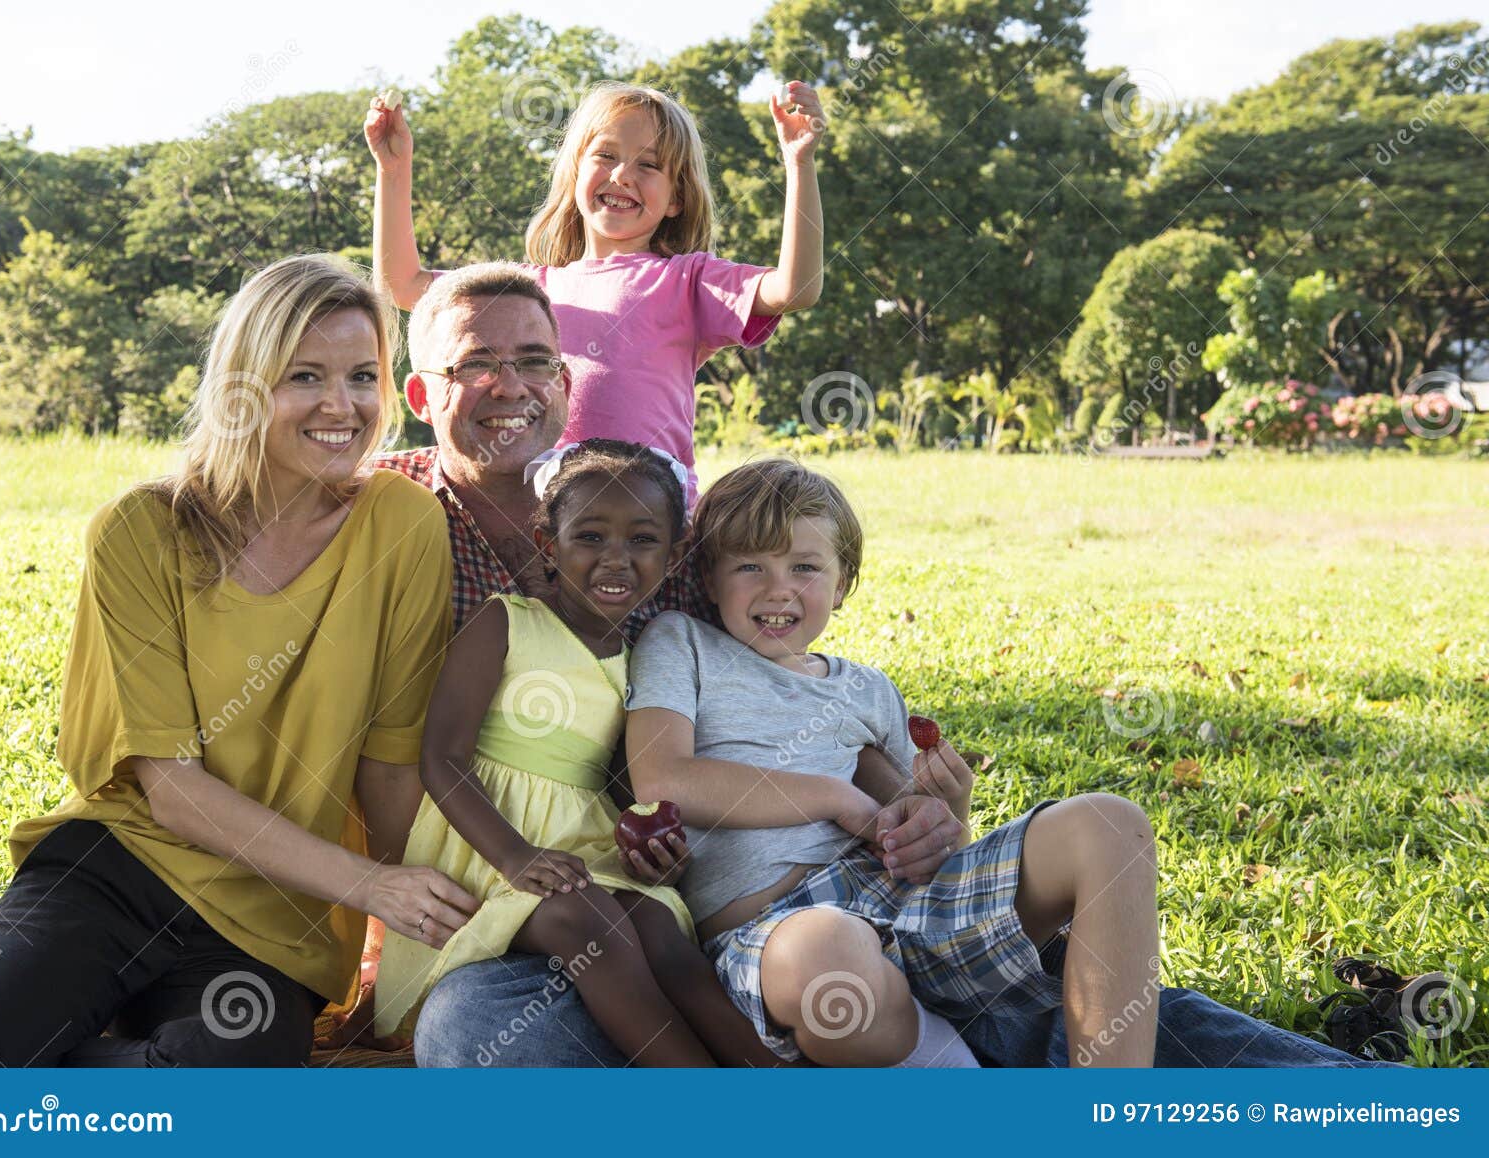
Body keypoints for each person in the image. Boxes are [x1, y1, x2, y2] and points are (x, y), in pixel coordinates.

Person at [368, 265, 1384, 1068]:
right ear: (423, 392)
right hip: (543, 914)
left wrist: (923, 813)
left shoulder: (641, 520)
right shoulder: (386, 521)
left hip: (715, 903)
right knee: (476, 1031)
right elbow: (412, 754)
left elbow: (807, 697)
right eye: (472, 365)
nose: (507, 386)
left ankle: (1328, 1107)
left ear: (564, 382)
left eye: (533, 361)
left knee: (1038, 971)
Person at [0, 254, 475, 1067]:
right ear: (243, 384)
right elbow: (171, 791)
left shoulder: (403, 525)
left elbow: (388, 768)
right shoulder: (138, 531)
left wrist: (424, 928)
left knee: (227, 1086)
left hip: (279, 919)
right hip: (116, 873)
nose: (342, 407)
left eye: (363, 377)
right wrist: (372, 886)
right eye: (304, 376)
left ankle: (51, 1064)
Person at [626, 458, 1159, 1066]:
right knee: (829, 959)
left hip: (905, 905)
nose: (778, 589)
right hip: (777, 931)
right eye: (750, 565)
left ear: (843, 582)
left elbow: (934, 839)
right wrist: (836, 797)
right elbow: (660, 777)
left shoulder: (868, 689)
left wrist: (946, 806)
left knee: (1109, 824)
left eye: (804, 567)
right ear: (709, 578)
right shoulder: (682, 643)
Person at [374, 440, 785, 1066]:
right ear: (548, 545)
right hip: (490, 846)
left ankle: (773, 1075)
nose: (615, 559)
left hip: (581, 845)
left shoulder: (641, 660)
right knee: (584, 918)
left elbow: (620, 785)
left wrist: (649, 847)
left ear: (674, 558)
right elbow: (442, 758)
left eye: (642, 540)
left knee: (656, 926)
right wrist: (514, 856)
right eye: (589, 536)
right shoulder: (505, 623)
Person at [365, 79, 826, 502]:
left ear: (677, 199)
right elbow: (403, 286)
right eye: (606, 156)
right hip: (548, 528)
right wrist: (393, 168)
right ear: (575, 172)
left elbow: (797, 287)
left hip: (650, 528)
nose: (623, 175)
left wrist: (799, 162)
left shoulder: (688, 279)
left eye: (648, 165)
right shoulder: (531, 291)